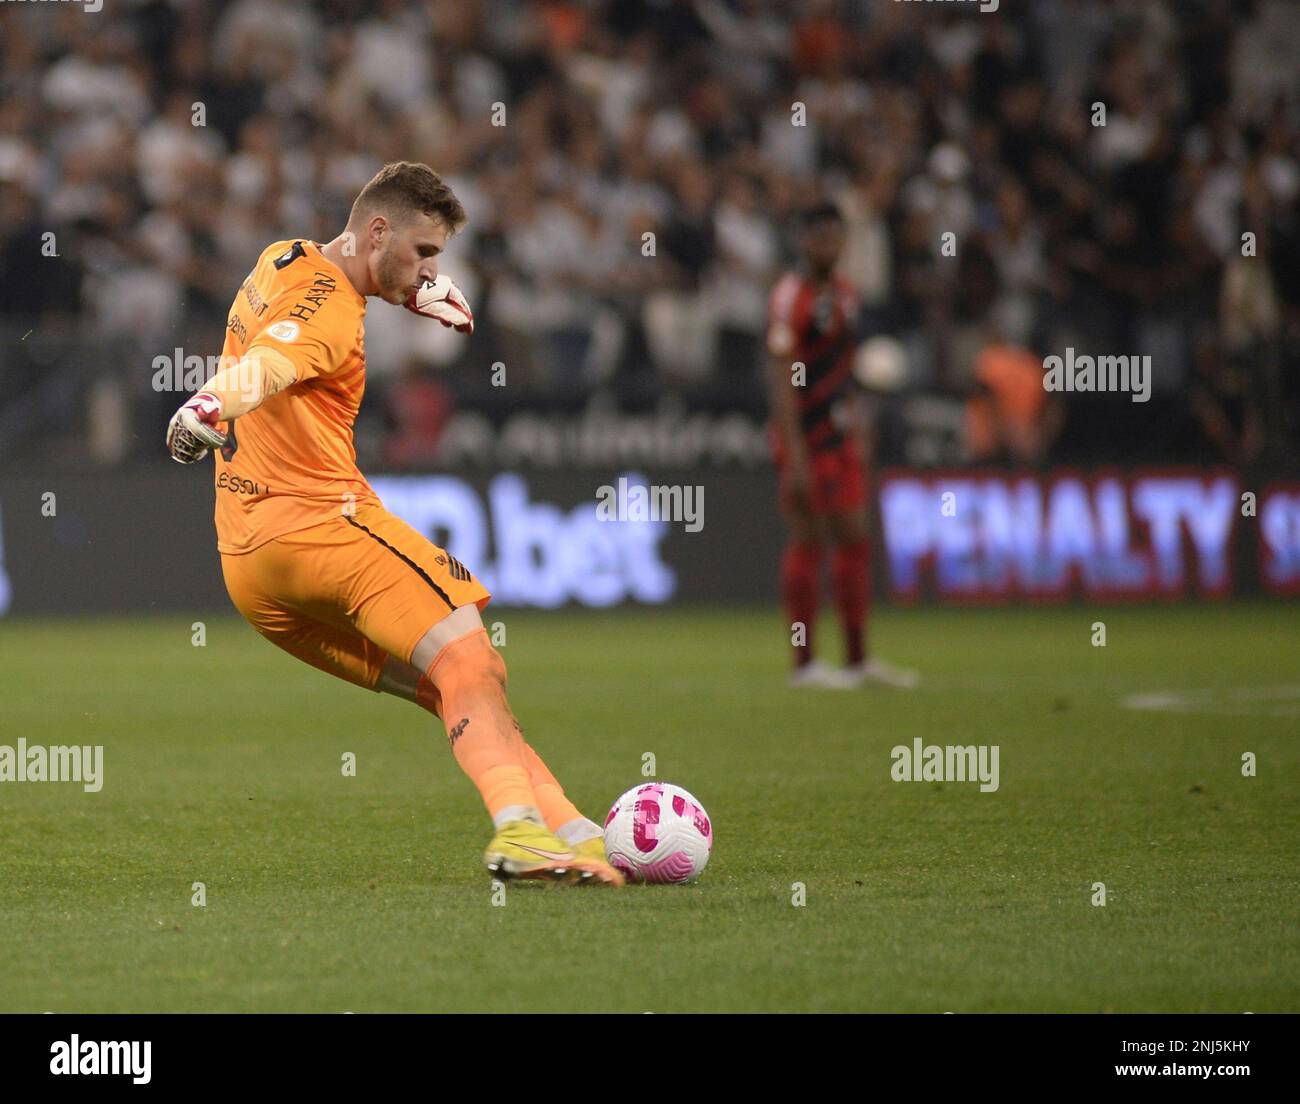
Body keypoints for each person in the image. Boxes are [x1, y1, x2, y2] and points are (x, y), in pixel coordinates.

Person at [165, 161, 622, 886]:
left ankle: (574, 832)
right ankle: (519, 831)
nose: (429, 270)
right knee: (474, 660)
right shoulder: (334, 312)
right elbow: (274, 364)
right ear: (378, 230)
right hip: (320, 531)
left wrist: (405, 289)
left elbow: (284, 327)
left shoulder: (283, 258)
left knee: (454, 684)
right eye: (424, 253)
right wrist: (208, 405)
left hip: (251, 571)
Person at [766, 202, 918, 690]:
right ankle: (805, 663)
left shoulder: (847, 295)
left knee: (854, 537)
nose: (829, 246)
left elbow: (844, 369)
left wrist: (857, 424)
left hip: (839, 431)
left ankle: (857, 658)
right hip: (805, 435)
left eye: (836, 237)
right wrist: (794, 455)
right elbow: (780, 377)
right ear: (804, 241)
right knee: (809, 537)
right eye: (820, 237)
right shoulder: (791, 297)